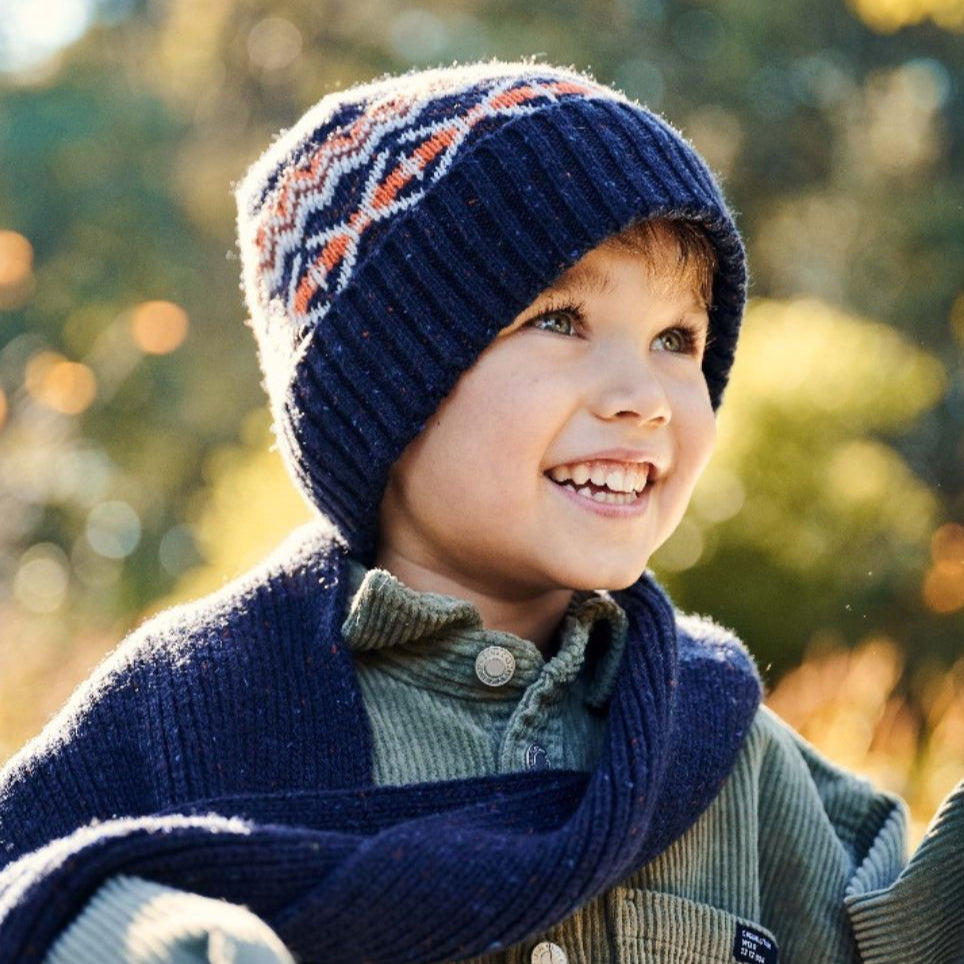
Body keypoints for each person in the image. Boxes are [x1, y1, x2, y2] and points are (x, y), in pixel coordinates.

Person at [0, 59, 960, 964]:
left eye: (678, 338)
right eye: (558, 321)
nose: (647, 396)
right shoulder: (199, 699)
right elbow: (28, 892)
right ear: (389, 388)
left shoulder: (711, 737)